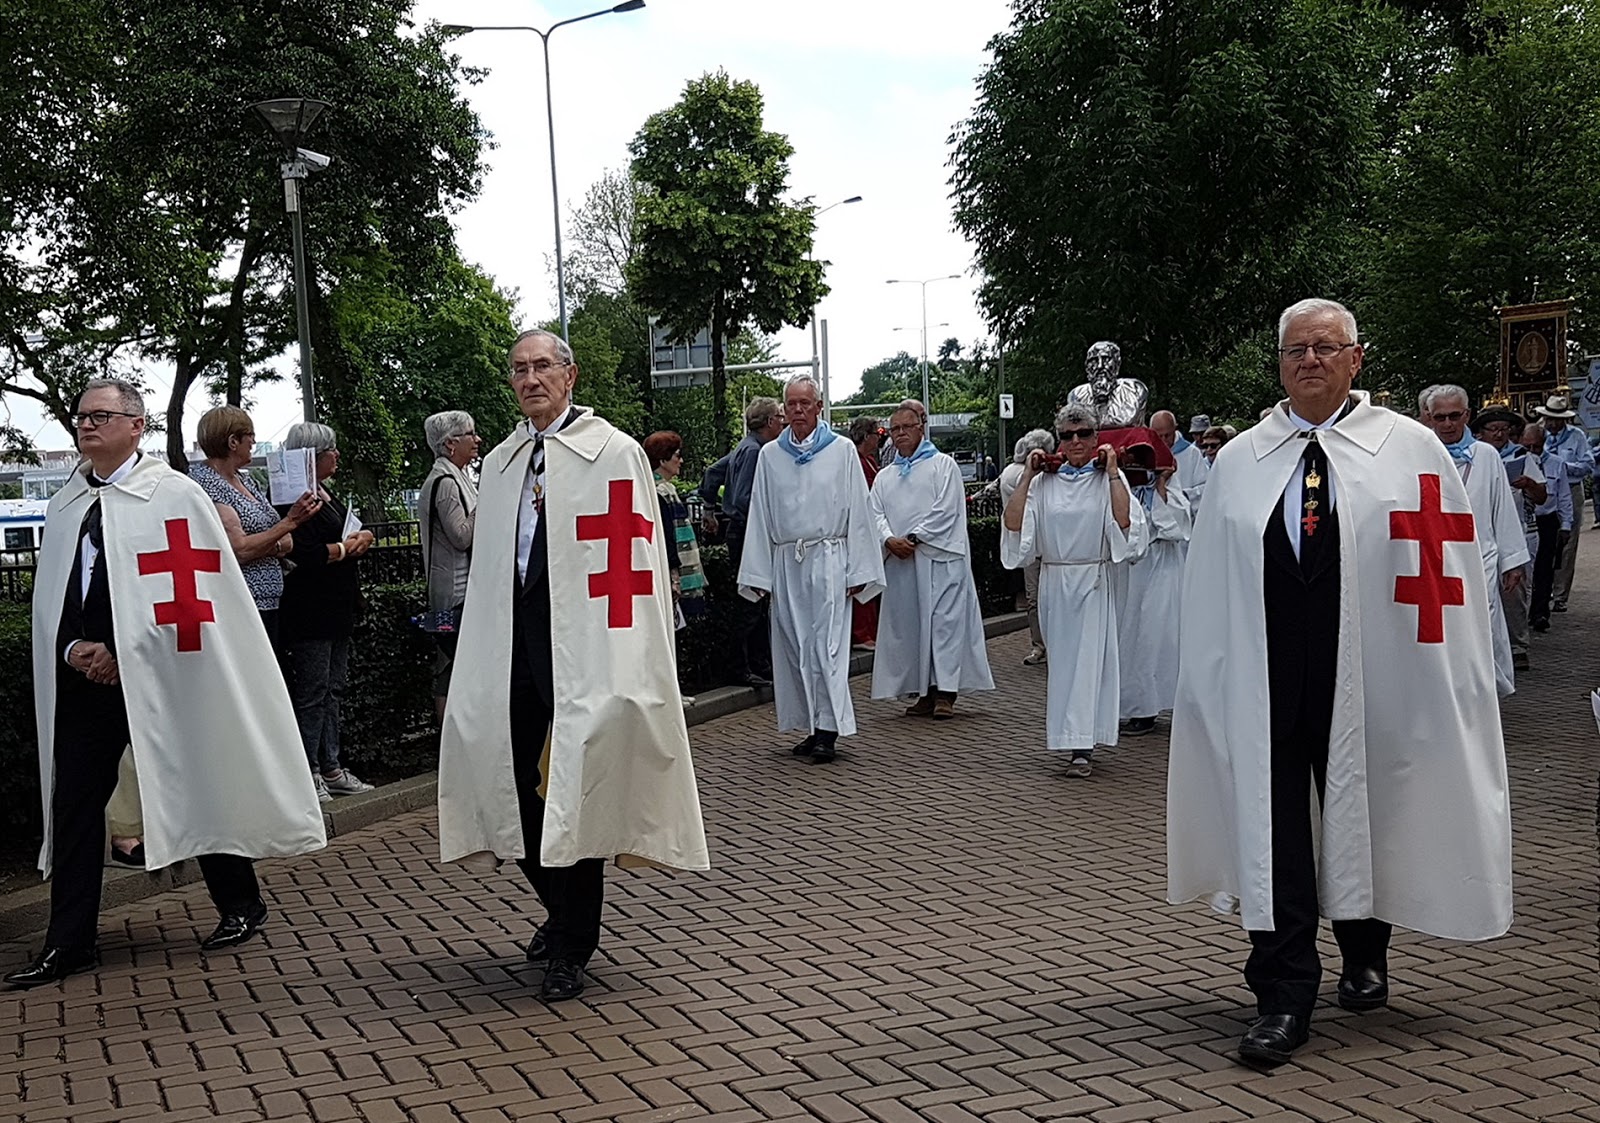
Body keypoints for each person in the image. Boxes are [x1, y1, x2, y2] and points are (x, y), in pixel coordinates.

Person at [1168, 299, 1512, 1067]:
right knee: (1277, 831)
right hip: (1268, 677)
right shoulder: (1241, 459)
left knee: (1371, 805)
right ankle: (1283, 994)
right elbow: (1212, 583)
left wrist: (1452, 672)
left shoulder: (1409, 449)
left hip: (1377, 667)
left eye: (1327, 347)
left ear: (1357, 359)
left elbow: (1446, 566)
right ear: (1280, 363)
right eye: (1297, 349)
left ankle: (1365, 945)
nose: (1311, 360)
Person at [6, 379, 325, 989]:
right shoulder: (67, 501)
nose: (87, 424)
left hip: (162, 672)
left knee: (194, 777)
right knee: (74, 801)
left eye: (102, 415)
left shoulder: (172, 495)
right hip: (85, 679)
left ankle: (240, 901)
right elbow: (53, 600)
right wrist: (74, 647)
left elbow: (199, 594)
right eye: (82, 416)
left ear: (136, 425)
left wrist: (127, 652)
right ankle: (68, 941)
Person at [437, 329, 708, 1002]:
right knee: (511, 781)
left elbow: (636, 563)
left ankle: (571, 943)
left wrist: (628, 658)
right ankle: (561, 910)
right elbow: (495, 566)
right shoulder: (499, 464)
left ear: (570, 375)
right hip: (514, 650)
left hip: (587, 645)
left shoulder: (612, 454)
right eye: (519, 369)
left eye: (542, 367)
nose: (530, 379)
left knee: (578, 785)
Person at [738, 375, 886, 765]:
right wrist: (759, 574)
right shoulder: (772, 456)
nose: (798, 410)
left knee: (827, 647)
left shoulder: (840, 451)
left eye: (806, 403)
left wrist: (859, 569)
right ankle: (811, 723)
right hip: (788, 562)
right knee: (793, 644)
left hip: (829, 560)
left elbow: (859, 509)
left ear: (819, 407)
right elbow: (760, 514)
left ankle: (829, 729)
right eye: (792, 404)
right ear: (784, 410)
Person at [1001, 404, 1147, 778]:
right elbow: (1014, 522)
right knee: (1065, 666)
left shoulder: (1106, 479)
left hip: (1091, 581)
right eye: (1067, 435)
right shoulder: (1047, 482)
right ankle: (1071, 737)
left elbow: (1125, 521)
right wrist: (1028, 476)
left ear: (1096, 438)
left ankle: (1082, 746)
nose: (1076, 441)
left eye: (1083, 433)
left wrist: (1113, 471)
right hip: (1056, 582)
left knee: (1088, 665)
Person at [869, 405, 994, 718]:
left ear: (920, 426)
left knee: (944, 626)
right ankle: (922, 689)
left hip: (939, 560)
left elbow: (946, 509)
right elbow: (874, 513)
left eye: (906, 427)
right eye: (895, 429)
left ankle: (945, 692)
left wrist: (913, 538)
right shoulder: (885, 476)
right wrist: (887, 539)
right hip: (902, 564)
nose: (900, 434)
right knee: (911, 627)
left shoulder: (943, 465)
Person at [277, 422, 377, 803]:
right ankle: (310, 769)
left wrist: (362, 537)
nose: (336, 456)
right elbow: (300, 552)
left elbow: (352, 531)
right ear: (309, 457)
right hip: (310, 607)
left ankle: (332, 765)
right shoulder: (292, 498)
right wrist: (341, 549)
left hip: (337, 604)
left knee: (333, 688)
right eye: (329, 451)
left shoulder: (325, 493)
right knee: (313, 690)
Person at [1422, 386, 1528, 696]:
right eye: (1439, 417)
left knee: (1483, 627)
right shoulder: (1420, 454)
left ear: (1467, 415)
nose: (1447, 424)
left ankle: (1484, 694)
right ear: (1429, 418)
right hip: (1434, 562)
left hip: (1480, 559)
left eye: (1455, 416)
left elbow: (1502, 509)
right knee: (1439, 631)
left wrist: (1512, 561)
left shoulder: (1486, 455)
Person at [192, 406, 323, 651]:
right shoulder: (206, 484)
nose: (254, 441)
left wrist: (266, 542)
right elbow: (239, 550)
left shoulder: (245, 479)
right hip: (240, 603)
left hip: (268, 601)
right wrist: (289, 523)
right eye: (250, 434)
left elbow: (288, 543)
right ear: (233, 441)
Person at [703, 397, 784, 688]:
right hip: (748, 532)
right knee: (751, 599)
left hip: (740, 531)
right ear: (768, 422)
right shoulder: (755, 453)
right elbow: (744, 499)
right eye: (779, 415)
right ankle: (742, 667)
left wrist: (709, 508)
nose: (783, 420)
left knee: (754, 600)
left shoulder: (746, 447)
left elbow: (712, 473)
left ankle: (757, 664)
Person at [1118, 460, 1192, 734]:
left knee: (1151, 640)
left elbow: (1174, 527)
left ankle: (1146, 709)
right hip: (1129, 574)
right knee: (1129, 639)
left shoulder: (1170, 488)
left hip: (1159, 569)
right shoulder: (1125, 488)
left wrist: (1161, 484)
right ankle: (1129, 705)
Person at [419, 411, 480, 720]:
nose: (477, 439)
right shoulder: (446, 483)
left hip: (454, 590)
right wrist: (487, 503)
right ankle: (450, 738)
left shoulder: (451, 477)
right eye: (471, 434)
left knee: (452, 663)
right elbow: (461, 536)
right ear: (450, 444)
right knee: (453, 664)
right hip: (455, 593)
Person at [1473, 406, 1543, 671]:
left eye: (1504, 429)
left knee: (1514, 592)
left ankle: (1518, 645)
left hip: (1517, 530)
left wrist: (1529, 485)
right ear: (1482, 432)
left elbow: (1542, 497)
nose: (1499, 433)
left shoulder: (1522, 457)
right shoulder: (1473, 457)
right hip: (1481, 534)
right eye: (1493, 429)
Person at [999, 429, 1056, 665]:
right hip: (1031, 544)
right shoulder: (1014, 476)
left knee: (1049, 597)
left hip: (1052, 544)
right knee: (1034, 597)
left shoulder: (1056, 474)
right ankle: (1040, 645)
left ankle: (1048, 645)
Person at [643, 431, 710, 622]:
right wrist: (674, 577)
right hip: (679, 580)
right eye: (677, 455)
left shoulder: (664, 489)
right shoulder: (659, 492)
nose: (681, 461)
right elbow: (667, 536)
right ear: (663, 460)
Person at [1538, 393, 1594, 613]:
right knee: (1544, 540)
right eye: (1549, 418)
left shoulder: (1576, 437)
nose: (1551, 423)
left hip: (1570, 489)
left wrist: (1562, 467)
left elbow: (1587, 464)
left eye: (1556, 419)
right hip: (1545, 490)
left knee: (1567, 542)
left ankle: (1560, 595)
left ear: (1564, 420)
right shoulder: (1539, 434)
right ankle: (1544, 589)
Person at [1523, 421, 1573, 631]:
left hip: (1546, 519)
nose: (1533, 451)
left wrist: (1566, 524)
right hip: (1525, 520)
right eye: (1528, 447)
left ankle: (1540, 613)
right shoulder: (1518, 461)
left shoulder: (1556, 463)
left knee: (1545, 568)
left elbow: (1564, 495)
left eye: (1537, 446)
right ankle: (1522, 612)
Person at [847, 415, 884, 651]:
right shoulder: (858, 462)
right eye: (875, 435)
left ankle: (869, 629)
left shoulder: (868, 460)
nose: (878, 440)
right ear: (866, 436)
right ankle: (862, 633)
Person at [1066, 341, 1149, 427]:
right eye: (1093, 361)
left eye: (1106, 359)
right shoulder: (1076, 396)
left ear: (1117, 364)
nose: (1099, 366)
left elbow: (1125, 420)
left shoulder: (1134, 389)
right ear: (1087, 368)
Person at [1152, 409, 1207, 510]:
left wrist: (1182, 496)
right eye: (1159, 436)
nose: (1164, 440)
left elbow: (1205, 488)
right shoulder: (1148, 454)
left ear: (1175, 429)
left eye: (1167, 435)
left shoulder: (1191, 453)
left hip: (1184, 514)